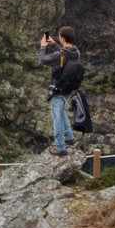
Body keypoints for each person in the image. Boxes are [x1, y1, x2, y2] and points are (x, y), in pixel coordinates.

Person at [39, 26, 81, 156]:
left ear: (62, 38)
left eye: (59, 37)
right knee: (61, 111)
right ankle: (69, 137)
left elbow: (43, 60)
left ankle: (60, 147)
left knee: (57, 117)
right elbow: (64, 55)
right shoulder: (76, 52)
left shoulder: (60, 54)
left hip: (58, 89)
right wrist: (55, 45)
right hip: (68, 89)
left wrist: (43, 47)